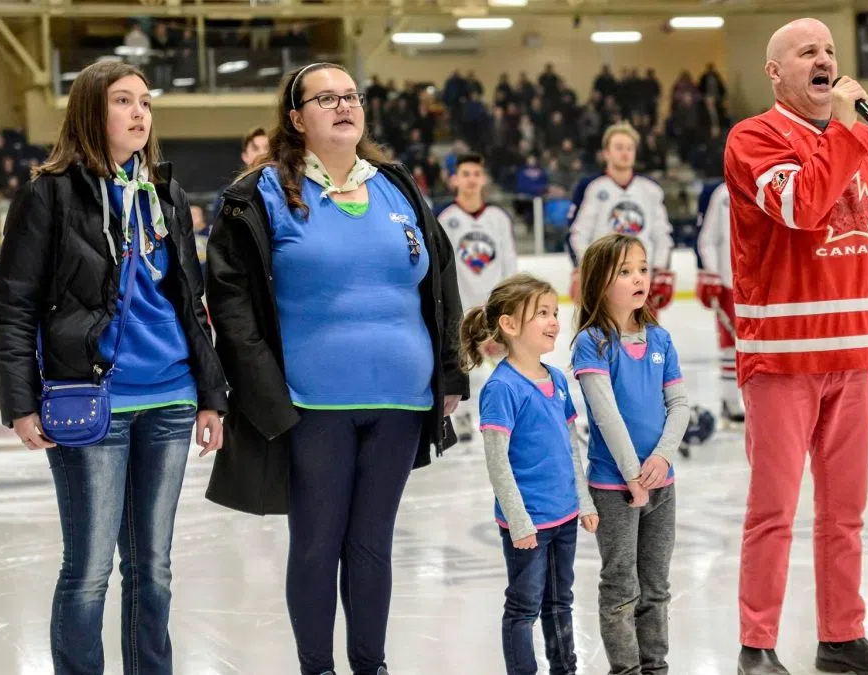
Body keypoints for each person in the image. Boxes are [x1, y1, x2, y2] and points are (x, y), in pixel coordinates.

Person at [202, 62, 469, 675]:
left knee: (372, 546)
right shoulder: (259, 193)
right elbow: (233, 306)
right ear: (296, 118)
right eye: (326, 98)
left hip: (401, 401)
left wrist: (449, 375)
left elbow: (441, 284)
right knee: (319, 544)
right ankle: (317, 668)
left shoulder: (397, 187)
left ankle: (370, 666)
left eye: (351, 96)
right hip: (311, 405)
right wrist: (264, 395)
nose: (344, 106)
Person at [0, 60, 228, 675]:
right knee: (91, 567)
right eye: (124, 101)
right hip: (90, 402)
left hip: (171, 397)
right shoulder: (48, 192)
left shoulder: (166, 193)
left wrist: (210, 395)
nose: (140, 113)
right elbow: (13, 306)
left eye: (146, 102)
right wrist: (20, 403)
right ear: (91, 112)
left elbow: (189, 301)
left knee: (154, 567)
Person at [721, 18, 868, 675]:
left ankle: (841, 635)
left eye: (829, 50)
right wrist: (849, 133)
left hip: (852, 353)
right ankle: (757, 645)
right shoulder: (753, 139)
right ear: (776, 72)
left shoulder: (864, 142)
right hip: (783, 356)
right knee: (773, 509)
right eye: (807, 52)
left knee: (846, 510)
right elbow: (803, 205)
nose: (823, 60)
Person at [460, 272, 598, 675]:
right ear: (509, 324)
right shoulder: (502, 387)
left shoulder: (556, 379)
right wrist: (519, 521)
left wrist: (583, 501)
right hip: (528, 525)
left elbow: (572, 447)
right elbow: (497, 462)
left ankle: (565, 669)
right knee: (523, 607)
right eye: (542, 313)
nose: (554, 321)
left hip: (565, 516)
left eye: (555, 312)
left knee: (561, 602)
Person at [569, 233, 689, 675]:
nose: (639, 277)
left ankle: (656, 666)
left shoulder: (660, 339)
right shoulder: (592, 343)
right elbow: (607, 417)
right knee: (622, 585)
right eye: (625, 271)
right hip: (615, 486)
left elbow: (679, 405)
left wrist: (661, 459)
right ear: (601, 283)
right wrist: (634, 476)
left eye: (642, 267)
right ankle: (626, 669)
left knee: (656, 585)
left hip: (663, 482)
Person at [436, 152, 518, 443]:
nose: (471, 179)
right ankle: (462, 414)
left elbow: (508, 261)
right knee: (463, 362)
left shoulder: (497, 218)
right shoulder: (446, 218)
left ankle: (511, 411)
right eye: (465, 174)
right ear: (455, 179)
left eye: (475, 174)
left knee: (507, 361)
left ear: (483, 179)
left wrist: (507, 304)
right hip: (460, 309)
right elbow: (442, 267)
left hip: (495, 310)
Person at [566, 122, 675, 313]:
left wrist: (660, 270)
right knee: (602, 341)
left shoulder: (650, 189)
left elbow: (662, 235)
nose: (625, 153)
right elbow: (578, 234)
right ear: (606, 153)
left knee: (642, 341)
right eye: (618, 147)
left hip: (640, 281)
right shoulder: (591, 187)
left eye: (629, 148)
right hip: (603, 281)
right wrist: (583, 269)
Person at [695, 180, 745, 423]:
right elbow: (708, 239)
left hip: (766, 284)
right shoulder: (722, 194)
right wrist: (713, 274)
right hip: (729, 281)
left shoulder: (772, 185)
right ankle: (730, 399)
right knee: (730, 343)